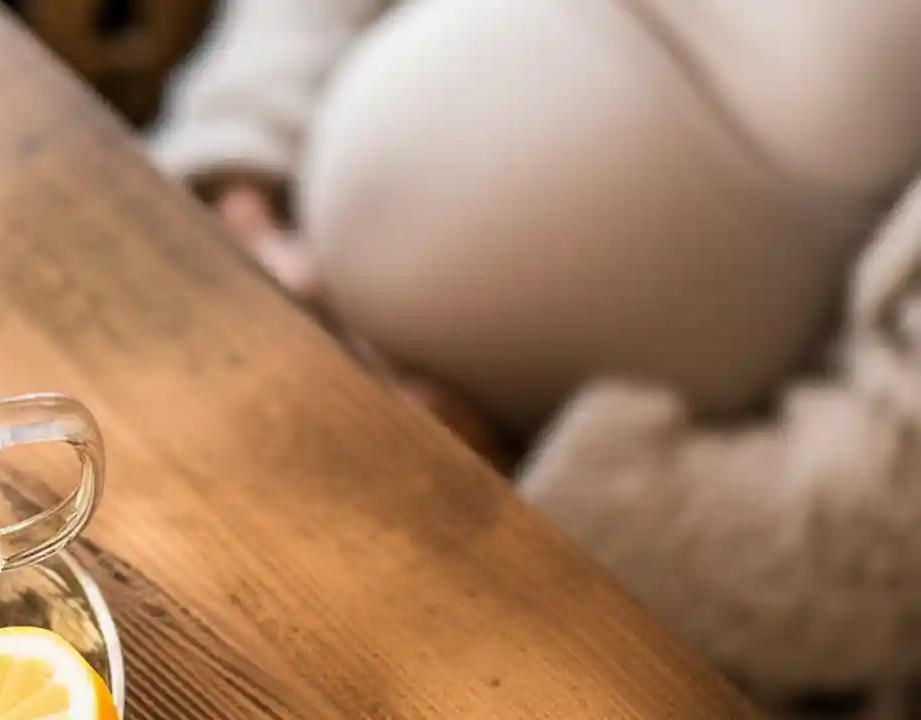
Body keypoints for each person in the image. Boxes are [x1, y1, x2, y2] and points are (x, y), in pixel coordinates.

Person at [153, 1, 921, 713]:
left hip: (537, 592)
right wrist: (237, 179)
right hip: (235, 322)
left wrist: (489, 479)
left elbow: (884, 545)